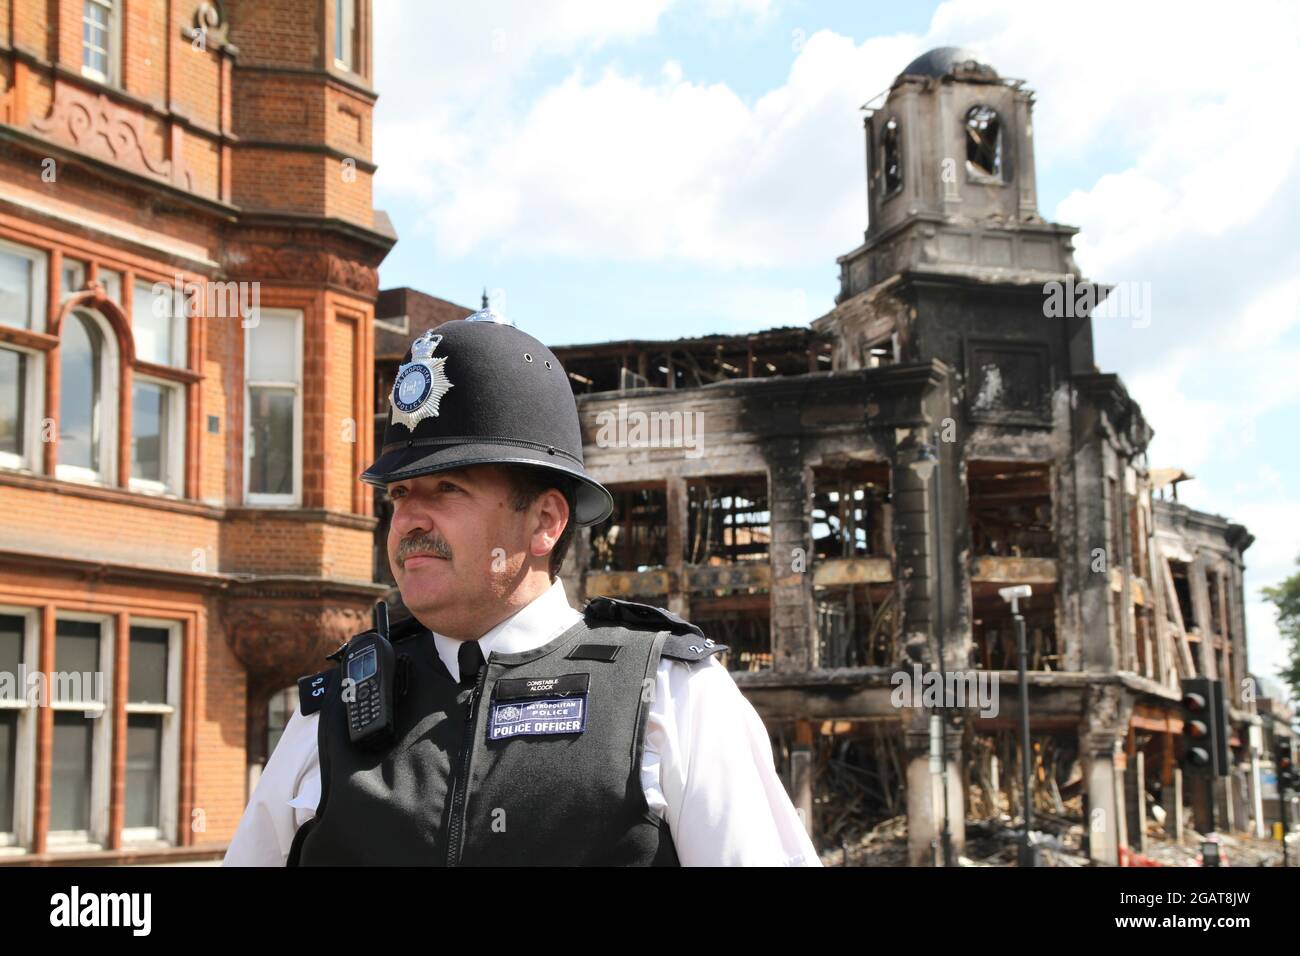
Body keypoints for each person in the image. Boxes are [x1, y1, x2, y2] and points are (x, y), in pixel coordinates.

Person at [222, 309, 819, 866]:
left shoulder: (672, 697)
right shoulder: (333, 712)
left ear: (544, 522)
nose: (408, 520)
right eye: (400, 494)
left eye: (448, 489)